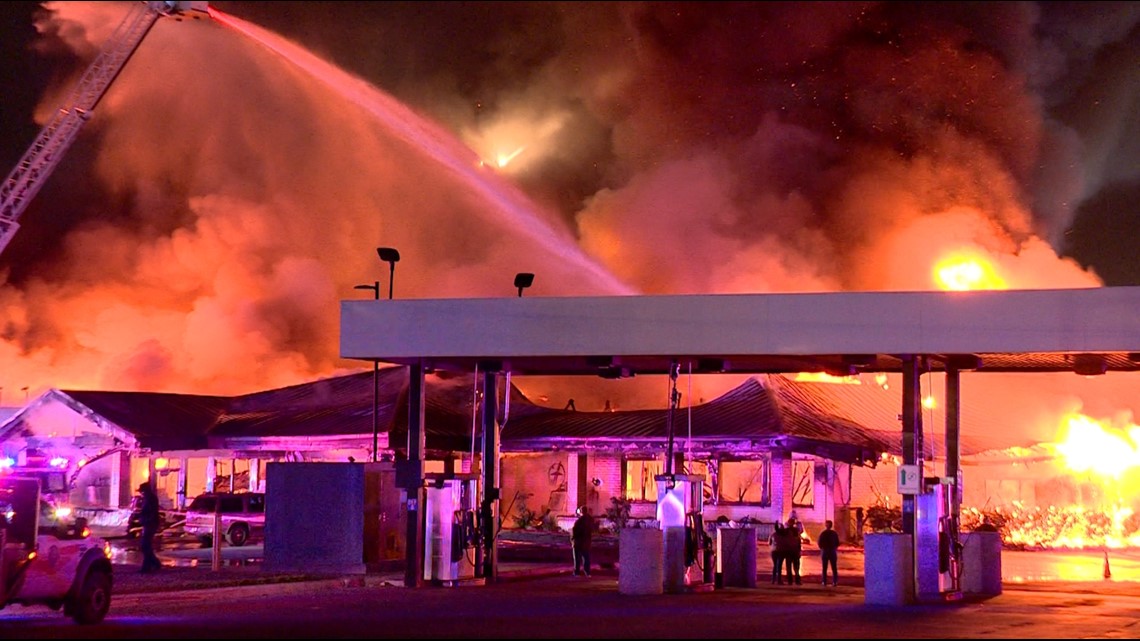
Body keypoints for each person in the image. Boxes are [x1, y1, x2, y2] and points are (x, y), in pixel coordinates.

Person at [138, 481, 162, 573]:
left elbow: (151, 512)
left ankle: (148, 566)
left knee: (145, 545)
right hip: (148, 523)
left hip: (150, 524)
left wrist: (146, 520)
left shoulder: (151, 498)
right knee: (146, 545)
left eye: (142, 491)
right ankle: (154, 563)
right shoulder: (147, 498)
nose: (141, 493)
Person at [571, 505, 594, 576]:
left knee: (577, 558)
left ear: (581, 512)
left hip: (579, 542)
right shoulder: (590, 520)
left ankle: (576, 572)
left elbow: (575, 530)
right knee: (586, 557)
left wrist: (572, 539)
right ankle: (587, 572)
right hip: (586, 541)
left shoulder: (580, 521)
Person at [817, 519, 840, 586]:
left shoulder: (823, 533)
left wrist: (822, 548)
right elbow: (837, 543)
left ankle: (824, 581)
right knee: (834, 567)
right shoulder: (834, 533)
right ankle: (834, 582)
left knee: (825, 567)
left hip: (825, 551)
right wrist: (834, 547)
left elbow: (819, 542)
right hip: (832, 551)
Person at [781, 516, 803, 585]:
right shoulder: (796, 530)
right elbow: (799, 541)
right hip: (795, 551)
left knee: (789, 567)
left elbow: (783, 541)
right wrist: (799, 550)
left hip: (788, 551)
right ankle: (797, 580)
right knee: (796, 567)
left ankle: (790, 581)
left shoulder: (786, 531)